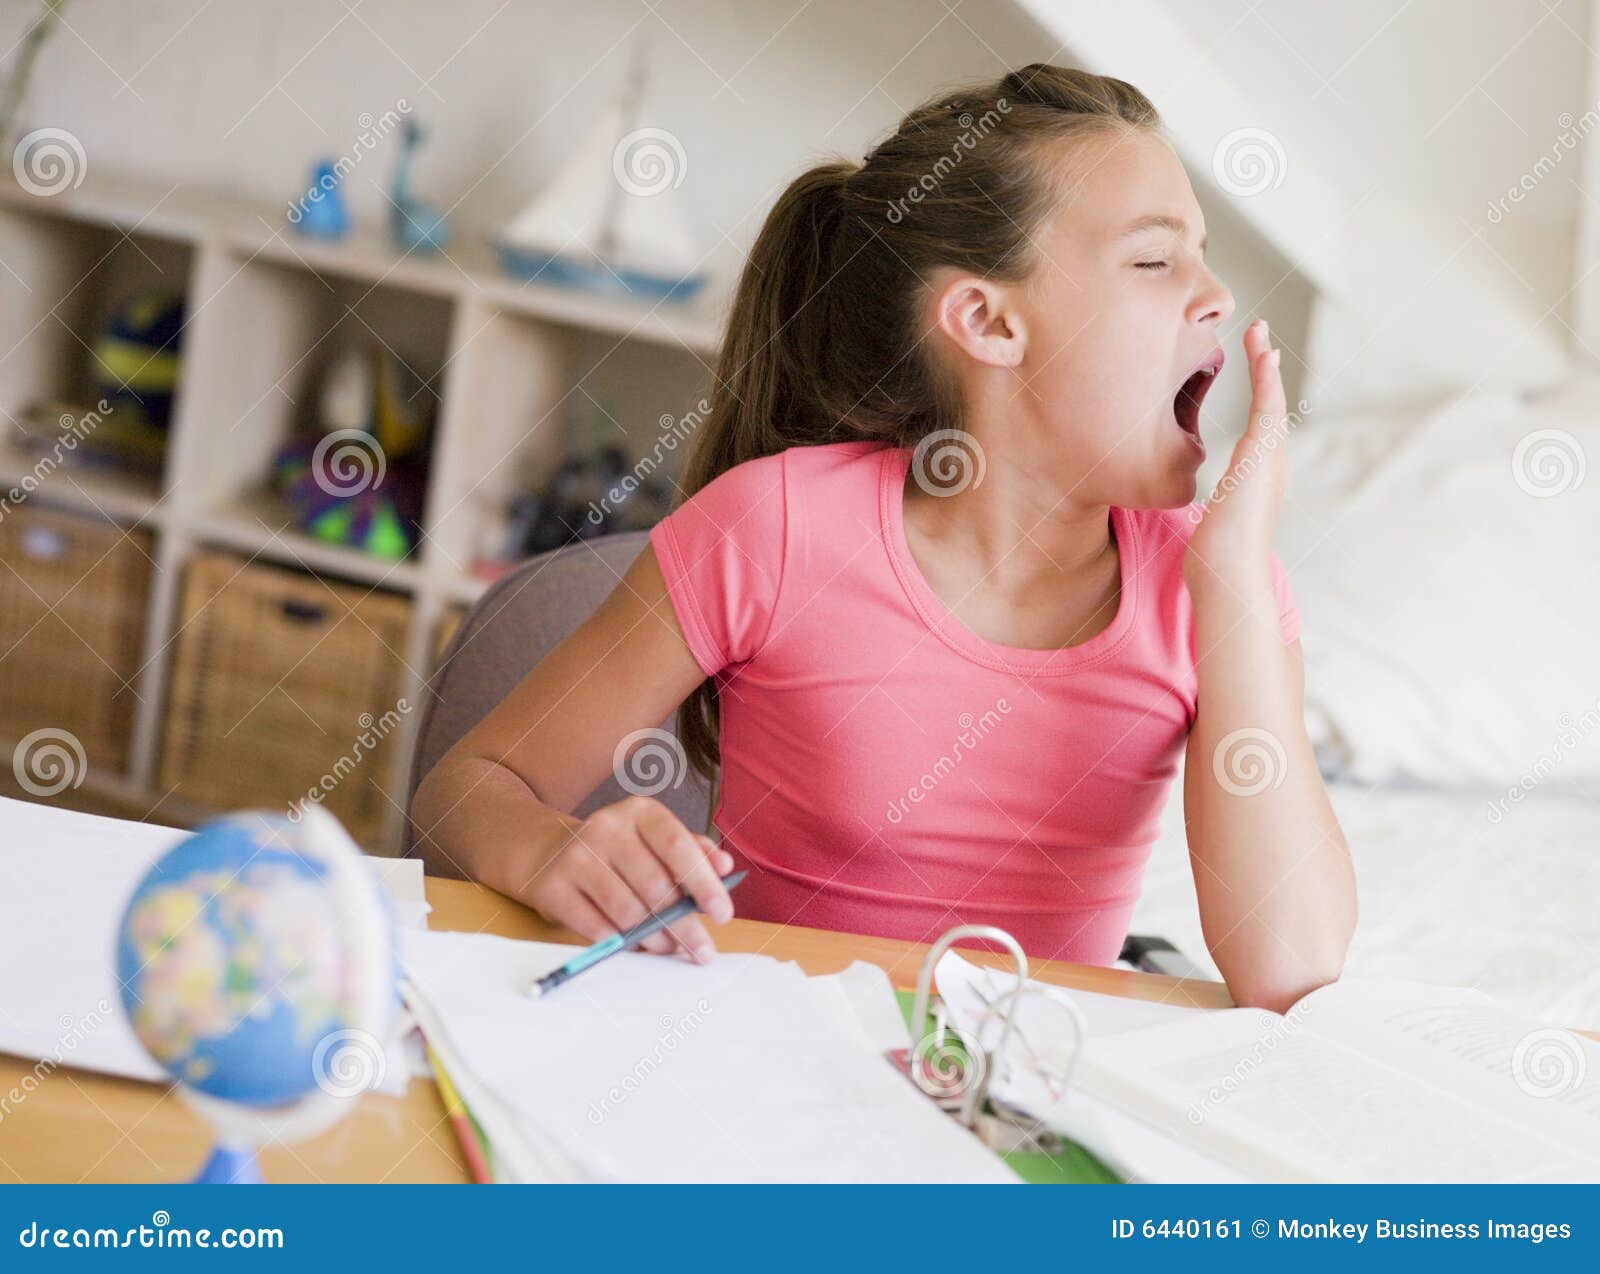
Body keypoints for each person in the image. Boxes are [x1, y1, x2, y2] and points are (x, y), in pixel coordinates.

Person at [412, 63, 1356, 1013]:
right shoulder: (772, 531)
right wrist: (550, 851)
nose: (1218, 296)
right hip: (774, 1070)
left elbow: (1293, 970)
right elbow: (463, 792)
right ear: (987, 321)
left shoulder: (1215, 586)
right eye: (1156, 260)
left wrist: (1232, 584)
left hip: (1020, 1105)